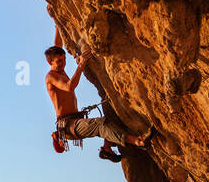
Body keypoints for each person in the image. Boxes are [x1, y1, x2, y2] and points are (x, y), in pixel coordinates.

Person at [45, 25, 147, 161]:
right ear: (50, 62)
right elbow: (69, 87)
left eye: (64, 60)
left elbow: (58, 45)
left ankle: (106, 149)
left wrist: (57, 24)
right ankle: (136, 141)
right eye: (59, 61)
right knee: (100, 125)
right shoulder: (51, 77)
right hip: (68, 125)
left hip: (76, 119)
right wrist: (81, 64)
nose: (63, 63)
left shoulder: (60, 69)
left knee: (111, 113)